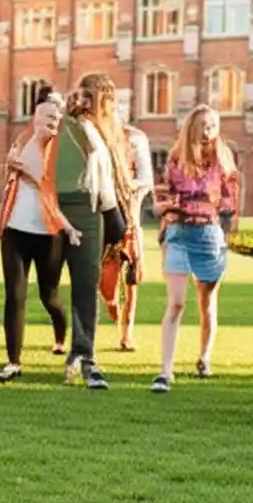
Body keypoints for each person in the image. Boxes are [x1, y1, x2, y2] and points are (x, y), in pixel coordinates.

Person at [0, 86, 80, 382]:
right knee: (14, 294)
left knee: (49, 295)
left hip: (49, 232)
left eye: (57, 117)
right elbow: (13, 176)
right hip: (15, 228)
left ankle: (60, 332)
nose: (52, 122)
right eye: (47, 115)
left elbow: (55, 190)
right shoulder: (22, 139)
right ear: (36, 116)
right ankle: (13, 361)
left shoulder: (62, 150)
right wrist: (14, 168)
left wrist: (31, 172)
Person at [149, 105, 237, 393]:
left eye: (214, 124)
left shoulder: (224, 160)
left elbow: (229, 203)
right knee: (176, 303)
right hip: (179, 232)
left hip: (209, 235)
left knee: (207, 303)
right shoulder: (176, 159)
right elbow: (159, 201)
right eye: (204, 124)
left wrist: (228, 231)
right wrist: (169, 208)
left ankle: (204, 357)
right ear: (192, 127)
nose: (209, 130)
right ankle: (165, 370)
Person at [55, 74, 122, 389]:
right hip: (53, 206)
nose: (86, 103)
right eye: (83, 96)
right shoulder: (64, 122)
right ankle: (57, 338)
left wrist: (112, 212)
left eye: (93, 98)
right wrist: (68, 110)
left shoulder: (104, 132)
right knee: (48, 286)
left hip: (89, 208)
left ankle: (84, 353)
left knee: (85, 285)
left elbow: (103, 175)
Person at [99, 118, 154, 352]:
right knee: (105, 283)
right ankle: (112, 305)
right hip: (104, 217)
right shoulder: (99, 141)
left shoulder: (136, 139)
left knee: (132, 278)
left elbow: (146, 180)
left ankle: (127, 332)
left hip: (130, 217)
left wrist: (128, 189)